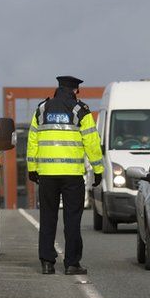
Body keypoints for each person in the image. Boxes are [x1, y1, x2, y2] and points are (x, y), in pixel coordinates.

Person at [27, 76, 104, 275]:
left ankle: (46, 262)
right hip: (72, 176)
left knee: (47, 218)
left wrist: (32, 168)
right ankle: (71, 263)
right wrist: (98, 170)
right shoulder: (81, 111)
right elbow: (92, 143)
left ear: (58, 88)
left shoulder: (42, 109)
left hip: (47, 175)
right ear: (75, 90)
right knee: (72, 220)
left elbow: (32, 140)